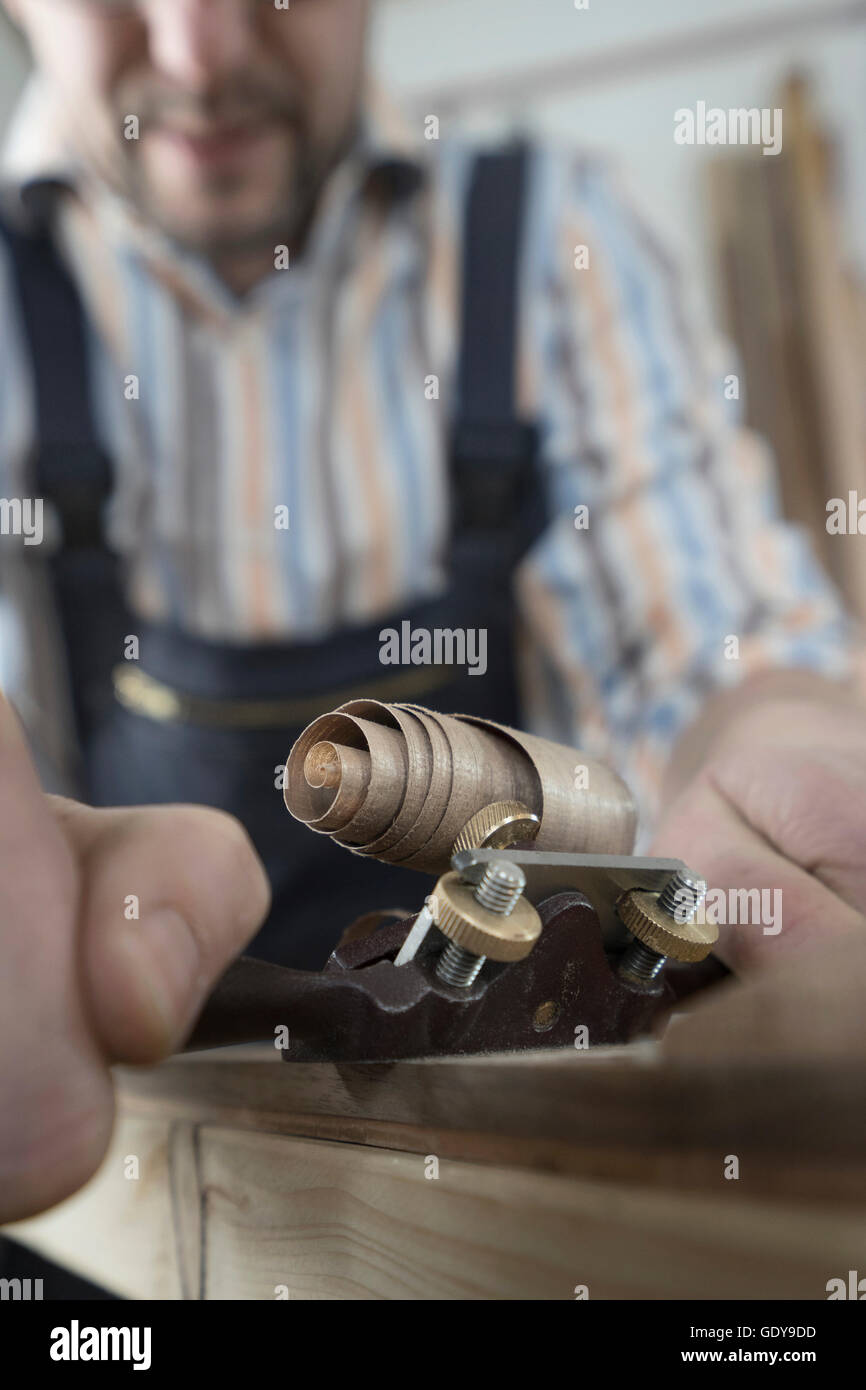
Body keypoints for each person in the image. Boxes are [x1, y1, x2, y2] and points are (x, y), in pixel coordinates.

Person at [0, 0, 864, 1226]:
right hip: (137, 1196)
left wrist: (775, 732)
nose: (201, 50)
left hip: (504, 1181)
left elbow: (708, 642)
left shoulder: (551, 239)